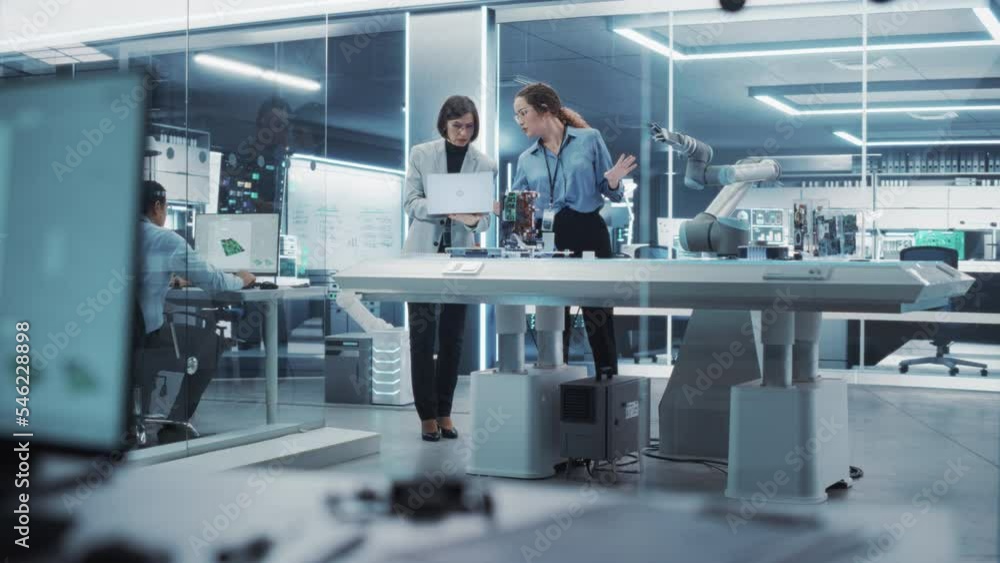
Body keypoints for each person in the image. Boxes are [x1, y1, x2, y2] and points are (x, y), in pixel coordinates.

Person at [509, 82, 637, 378]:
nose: (519, 121)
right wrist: (506, 209)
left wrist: (614, 180)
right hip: (550, 236)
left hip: (590, 230)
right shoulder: (526, 159)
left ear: (545, 110)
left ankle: (608, 381)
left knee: (598, 315)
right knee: (554, 317)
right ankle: (554, 383)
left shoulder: (589, 139)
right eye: (516, 115)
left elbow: (612, 192)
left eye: (523, 113)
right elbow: (518, 205)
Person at [404, 96, 496, 442]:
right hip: (421, 258)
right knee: (422, 338)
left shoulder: (484, 163)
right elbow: (410, 203)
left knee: (453, 339)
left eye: (469, 126)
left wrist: (470, 219)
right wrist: (444, 207)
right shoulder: (421, 154)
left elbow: (484, 220)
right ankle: (426, 416)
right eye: (457, 126)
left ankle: (444, 411)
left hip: (460, 260)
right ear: (444, 123)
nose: (463, 133)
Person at [136, 180, 255, 443]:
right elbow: (215, 282)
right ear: (157, 207)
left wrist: (170, 280)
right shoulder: (164, 239)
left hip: (108, 343)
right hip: (145, 341)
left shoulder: (111, 236)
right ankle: (176, 422)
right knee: (214, 339)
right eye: (166, 207)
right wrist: (241, 279)